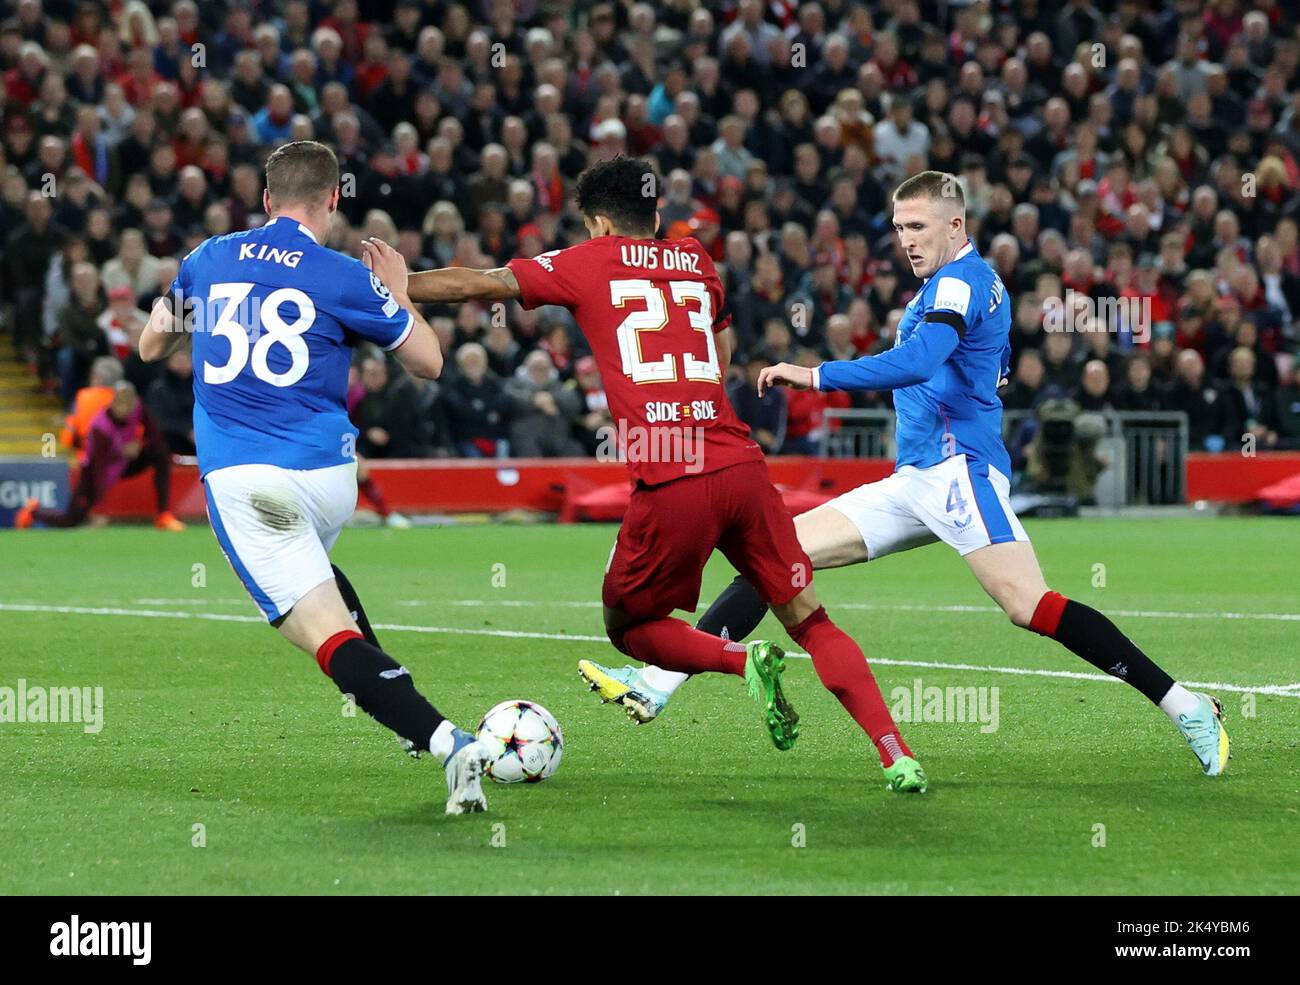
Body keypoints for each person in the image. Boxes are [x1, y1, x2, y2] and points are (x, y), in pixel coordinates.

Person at [592, 170, 1231, 779]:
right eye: (899, 228)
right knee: (775, 559)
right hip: (915, 478)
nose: (906, 240)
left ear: (956, 224)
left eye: (919, 227)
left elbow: (920, 361)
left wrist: (815, 374)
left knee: (1026, 604)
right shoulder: (959, 287)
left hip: (959, 475)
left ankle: (1187, 707)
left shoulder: (959, 282)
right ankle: (658, 682)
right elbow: (988, 366)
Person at [376, 156, 927, 793]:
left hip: (672, 478)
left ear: (599, 224)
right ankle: (897, 755)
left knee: (630, 626)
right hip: (741, 465)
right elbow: (719, 358)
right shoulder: (696, 257)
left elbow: (484, 282)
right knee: (812, 621)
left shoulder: (589, 261)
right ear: (657, 215)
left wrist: (399, 286)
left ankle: (739, 657)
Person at [133, 140, 494, 815]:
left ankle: (446, 739)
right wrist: (400, 291)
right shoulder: (341, 276)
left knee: (329, 637)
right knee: (319, 574)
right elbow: (430, 360)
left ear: (266, 199)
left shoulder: (208, 259)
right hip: (330, 477)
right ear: (333, 199)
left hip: (249, 482)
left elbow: (152, 343)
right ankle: (405, 708)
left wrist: (195, 319)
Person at [16, 380, 185, 531]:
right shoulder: (101, 428)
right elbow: (99, 470)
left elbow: (155, 437)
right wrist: (99, 510)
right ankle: (34, 512)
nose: (127, 408)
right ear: (113, 402)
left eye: (130, 403)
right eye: (122, 403)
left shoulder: (139, 408)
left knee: (161, 453)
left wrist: (140, 445)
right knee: (69, 520)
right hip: (97, 469)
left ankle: (164, 515)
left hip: (125, 462)